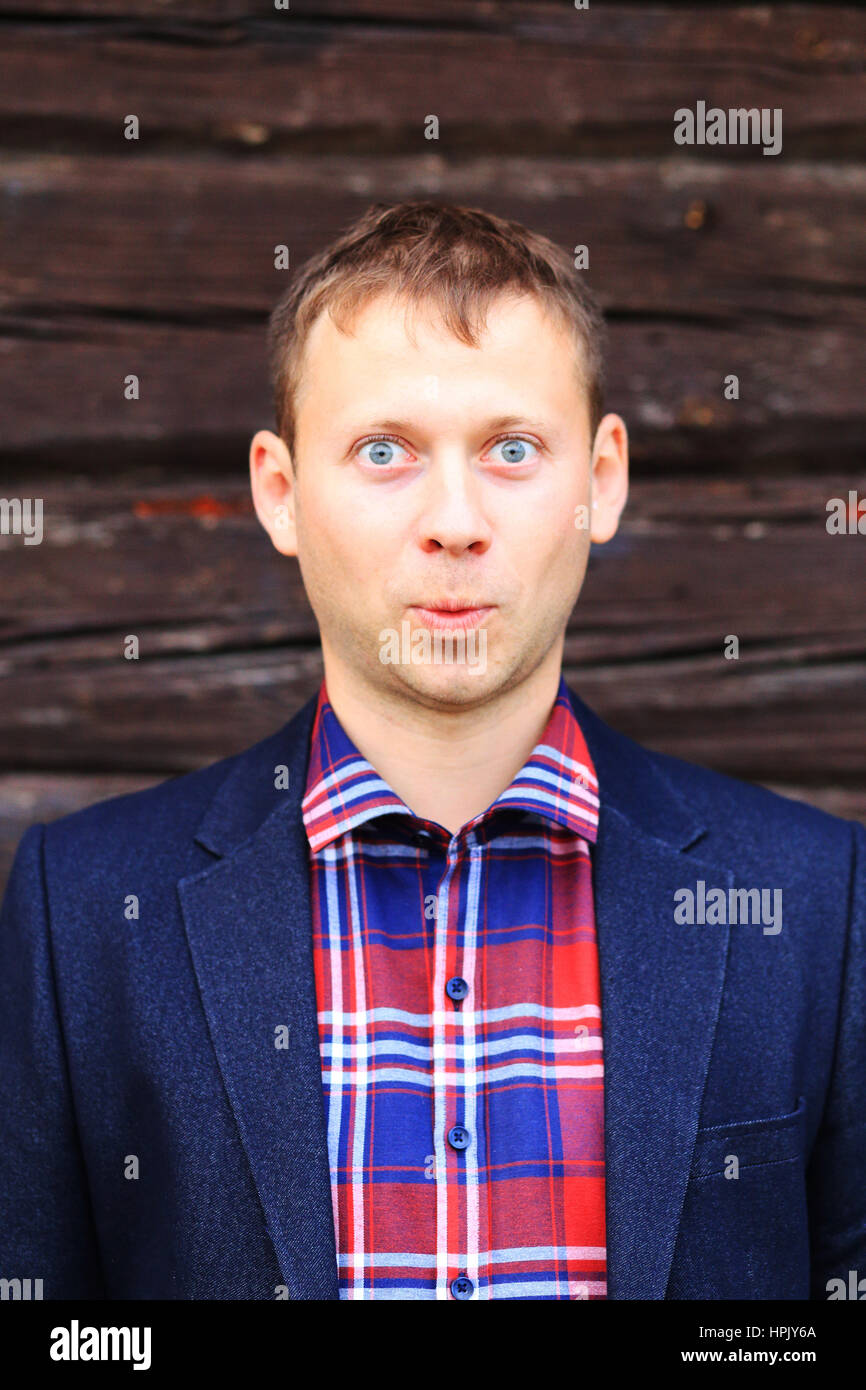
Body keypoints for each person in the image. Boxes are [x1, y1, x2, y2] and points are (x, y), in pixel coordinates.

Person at [1, 201, 863, 1301]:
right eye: (382, 450)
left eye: (511, 448)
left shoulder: (811, 901)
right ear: (280, 491)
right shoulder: (82, 916)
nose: (453, 519)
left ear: (599, 479)